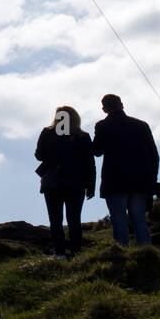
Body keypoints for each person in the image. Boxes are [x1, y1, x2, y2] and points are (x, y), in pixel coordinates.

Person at [92, 94, 159, 246]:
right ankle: (145, 252)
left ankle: (121, 252)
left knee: (118, 219)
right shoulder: (142, 125)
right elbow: (154, 156)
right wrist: (152, 179)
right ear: (122, 105)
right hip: (140, 181)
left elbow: (96, 151)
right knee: (139, 219)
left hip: (114, 181)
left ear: (104, 109)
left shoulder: (102, 126)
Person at [35, 104, 95, 259]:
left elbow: (39, 155)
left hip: (52, 182)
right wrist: (91, 185)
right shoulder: (83, 136)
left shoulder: (47, 133)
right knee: (74, 219)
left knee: (55, 220)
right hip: (76, 183)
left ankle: (60, 253)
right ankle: (76, 253)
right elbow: (89, 163)